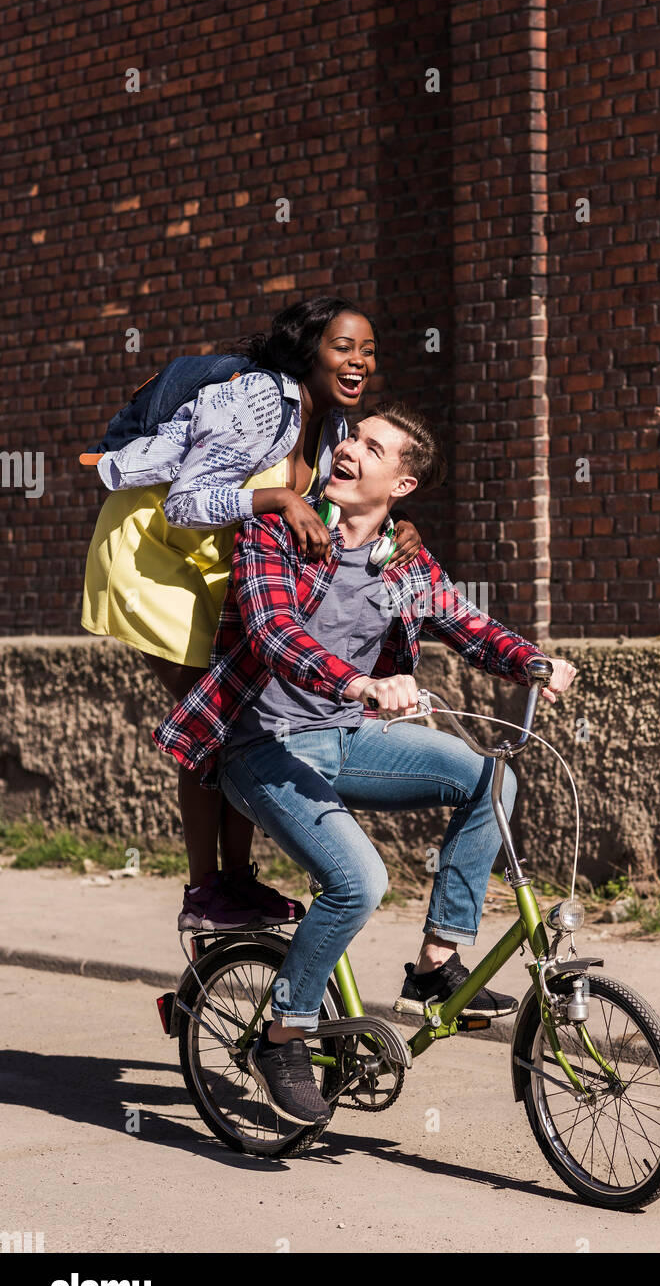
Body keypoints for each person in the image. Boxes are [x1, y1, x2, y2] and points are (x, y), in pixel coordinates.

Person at [153, 401, 577, 1126]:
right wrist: (356, 682)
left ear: (401, 486)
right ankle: (284, 1032)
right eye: (351, 438)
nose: (348, 450)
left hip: (349, 740)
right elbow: (272, 631)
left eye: (372, 449)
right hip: (262, 743)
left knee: (492, 779)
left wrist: (532, 661)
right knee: (359, 881)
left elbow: (465, 624)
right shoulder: (273, 532)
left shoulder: (400, 559)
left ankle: (436, 964)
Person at [80, 298, 421, 931]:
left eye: (368, 351)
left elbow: (345, 507)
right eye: (343, 347)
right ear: (308, 352)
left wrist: (401, 532)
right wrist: (278, 496)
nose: (359, 362)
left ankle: (237, 881)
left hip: (219, 560)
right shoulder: (261, 400)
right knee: (219, 717)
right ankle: (207, 888)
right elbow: (184, 502)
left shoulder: (338, 430)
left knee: (245, 713)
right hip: (154, 553)